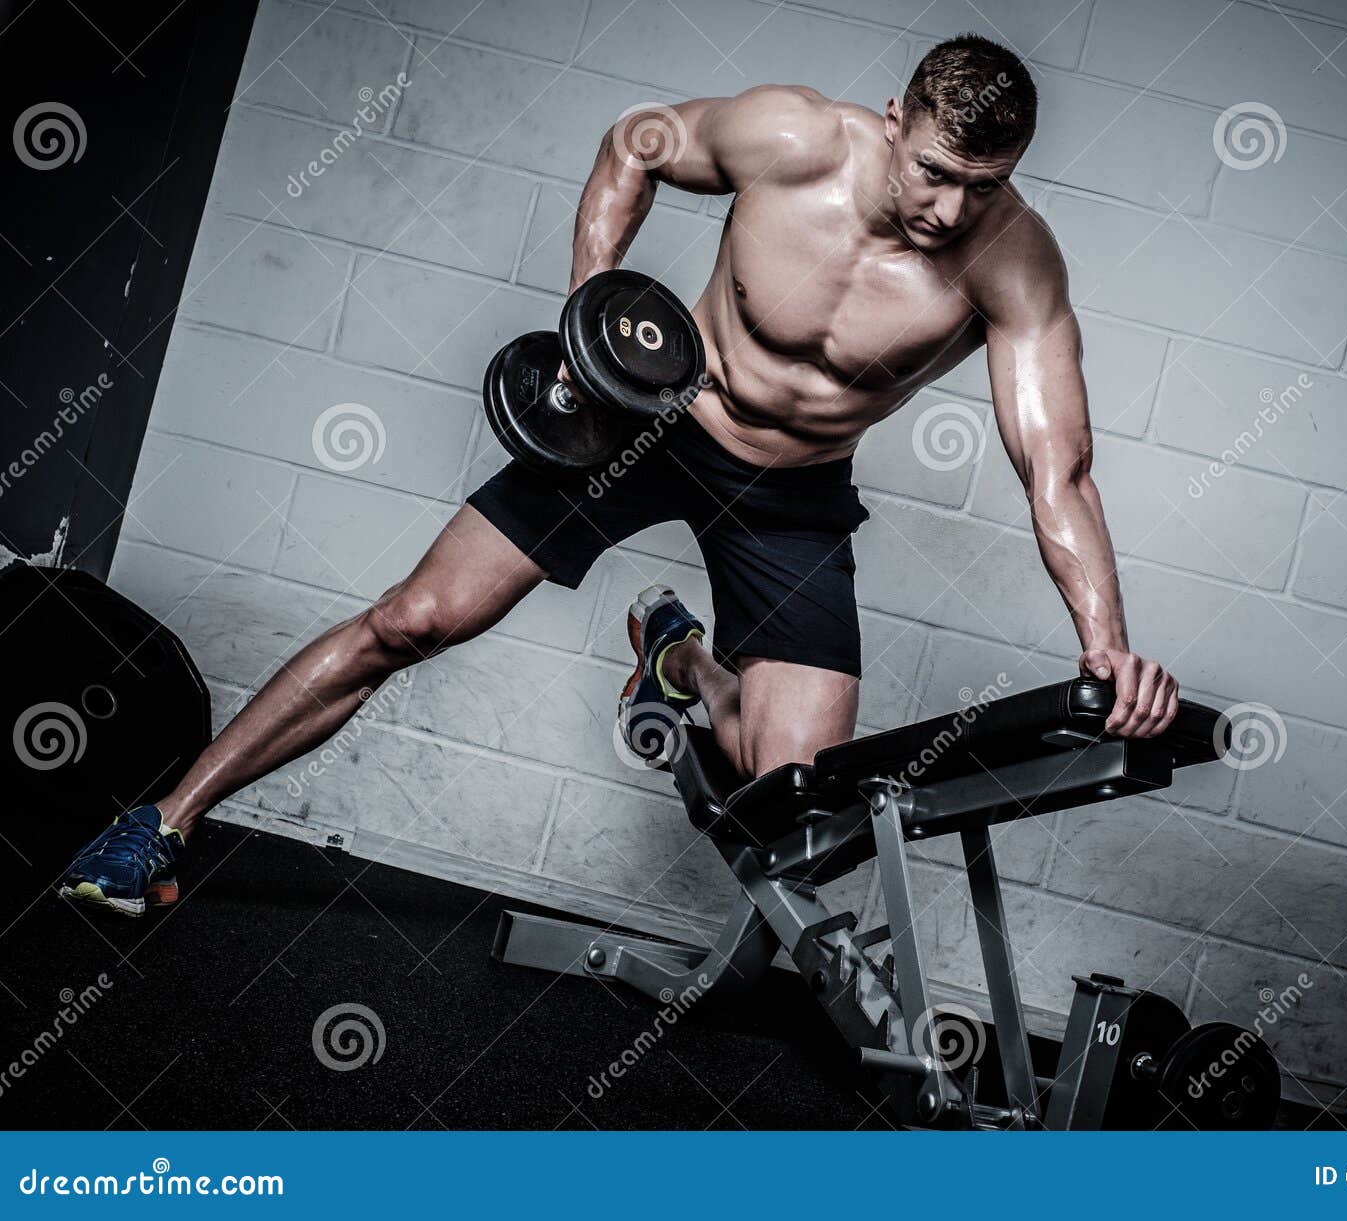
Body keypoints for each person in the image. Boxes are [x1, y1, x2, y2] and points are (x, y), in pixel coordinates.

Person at [61, 34, 1180, 917]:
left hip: (792, 495)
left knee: (791, 803)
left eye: (982, 186)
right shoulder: (792, 140)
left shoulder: (1011, 260)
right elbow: (635, 142)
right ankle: (165, 820)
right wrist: (593, 328)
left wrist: (1103, 643)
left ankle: (677, 659)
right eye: (937, 172)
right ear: (896, 121)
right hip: (650, 427)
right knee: (411, 621)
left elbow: (1057, 466)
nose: (950, 209)